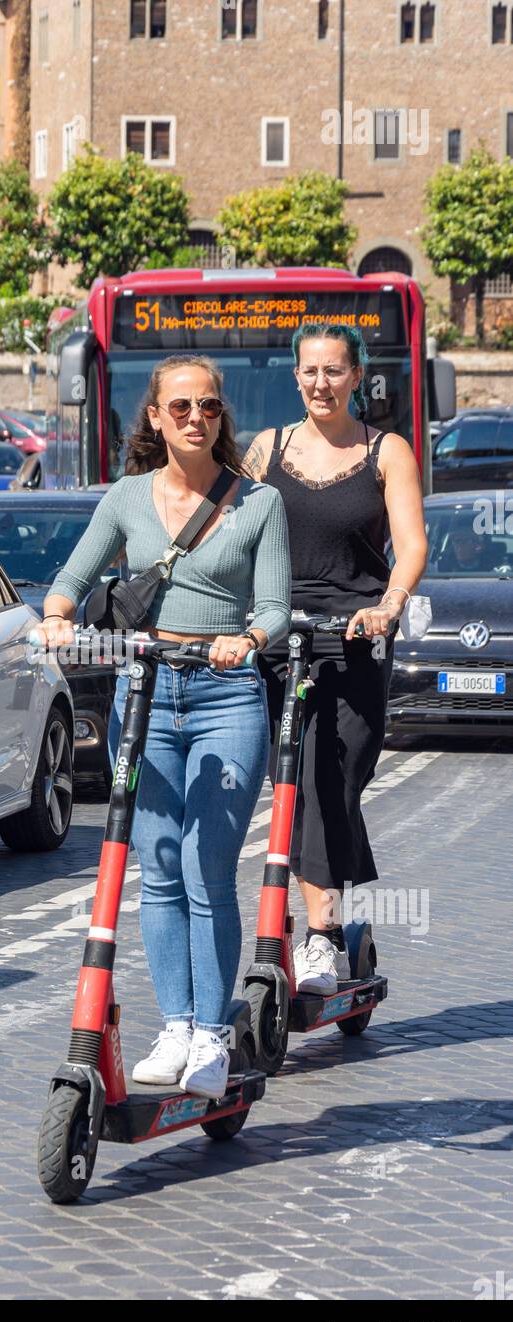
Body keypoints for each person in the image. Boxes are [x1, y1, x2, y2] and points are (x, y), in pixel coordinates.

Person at [34, 355, 291, 1099]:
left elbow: (273, 605)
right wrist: (56, 618)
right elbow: (72, 581)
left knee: (211, 867)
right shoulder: (124, 498)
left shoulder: (258, 504)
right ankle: (175, 1023)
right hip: (144, 694)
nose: (194, 418)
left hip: (225, 696)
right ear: (153, 417)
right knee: (160, 866)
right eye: (179, 406)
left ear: (221, 417)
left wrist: (247, 639)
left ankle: (213, 1034)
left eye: (208, 406)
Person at [242, 322, 428, 995]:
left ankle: (321, 934)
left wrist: (390, 603)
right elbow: (231, 532)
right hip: (281, 636)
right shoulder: (267, 449)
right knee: (295, 782)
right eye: (310, 371)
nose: (321, 382)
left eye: (334, 371)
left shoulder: (387, 451)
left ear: (356, 377)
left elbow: (410, 545)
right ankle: (323, 929)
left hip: (353, 638)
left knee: (334, 781)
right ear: (295, 376)